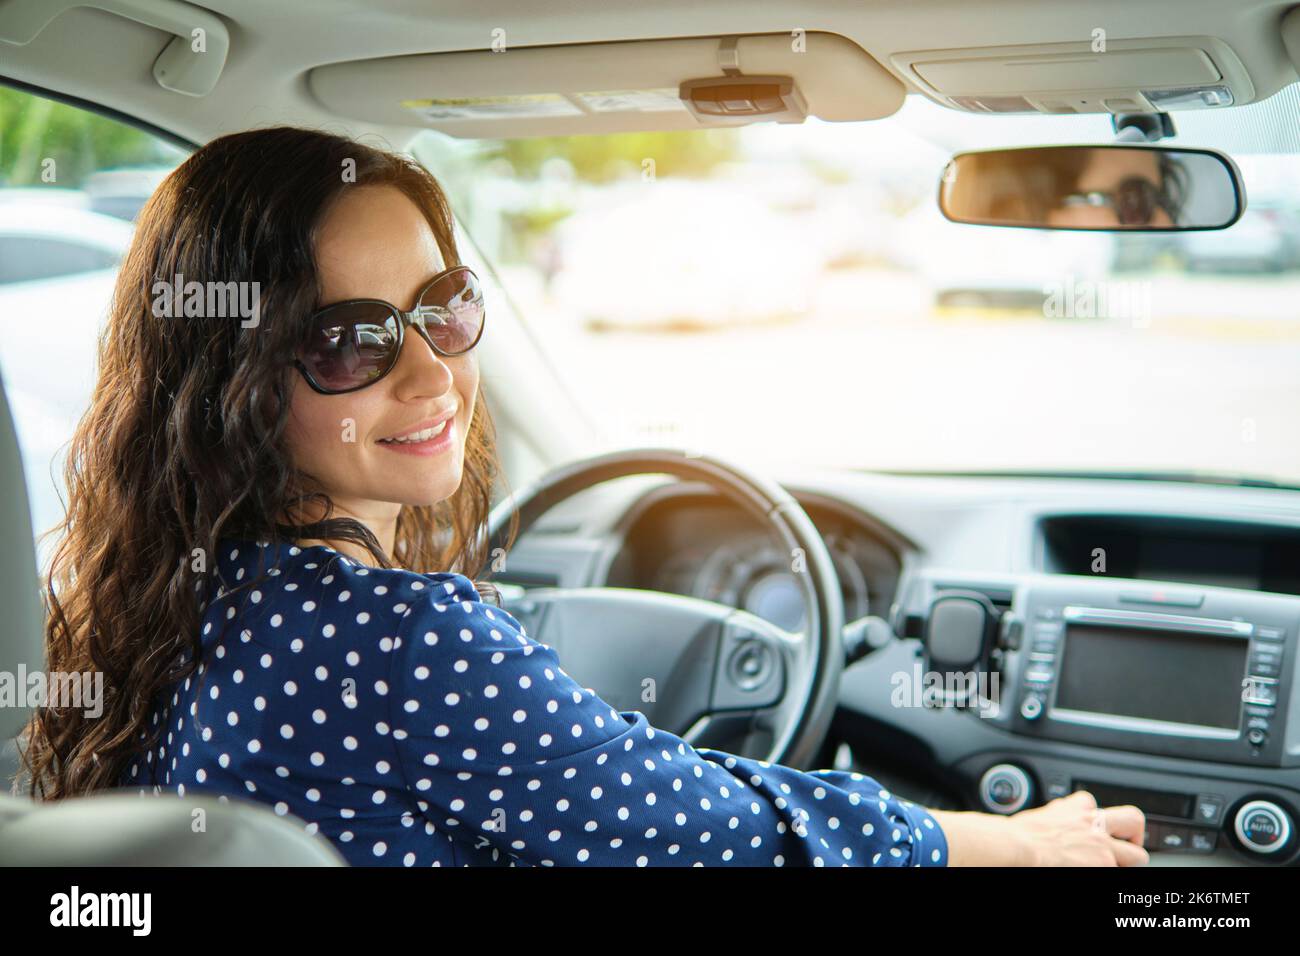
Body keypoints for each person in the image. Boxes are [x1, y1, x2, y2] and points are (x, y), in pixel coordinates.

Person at [18, 127, 1148, 867]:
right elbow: (712, 834)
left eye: (443, 307)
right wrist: (1011, 845)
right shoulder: (395, 637)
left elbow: (621, 784)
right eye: (350, 340)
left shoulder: (164, 596)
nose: (433, 374)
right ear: (234, 378)